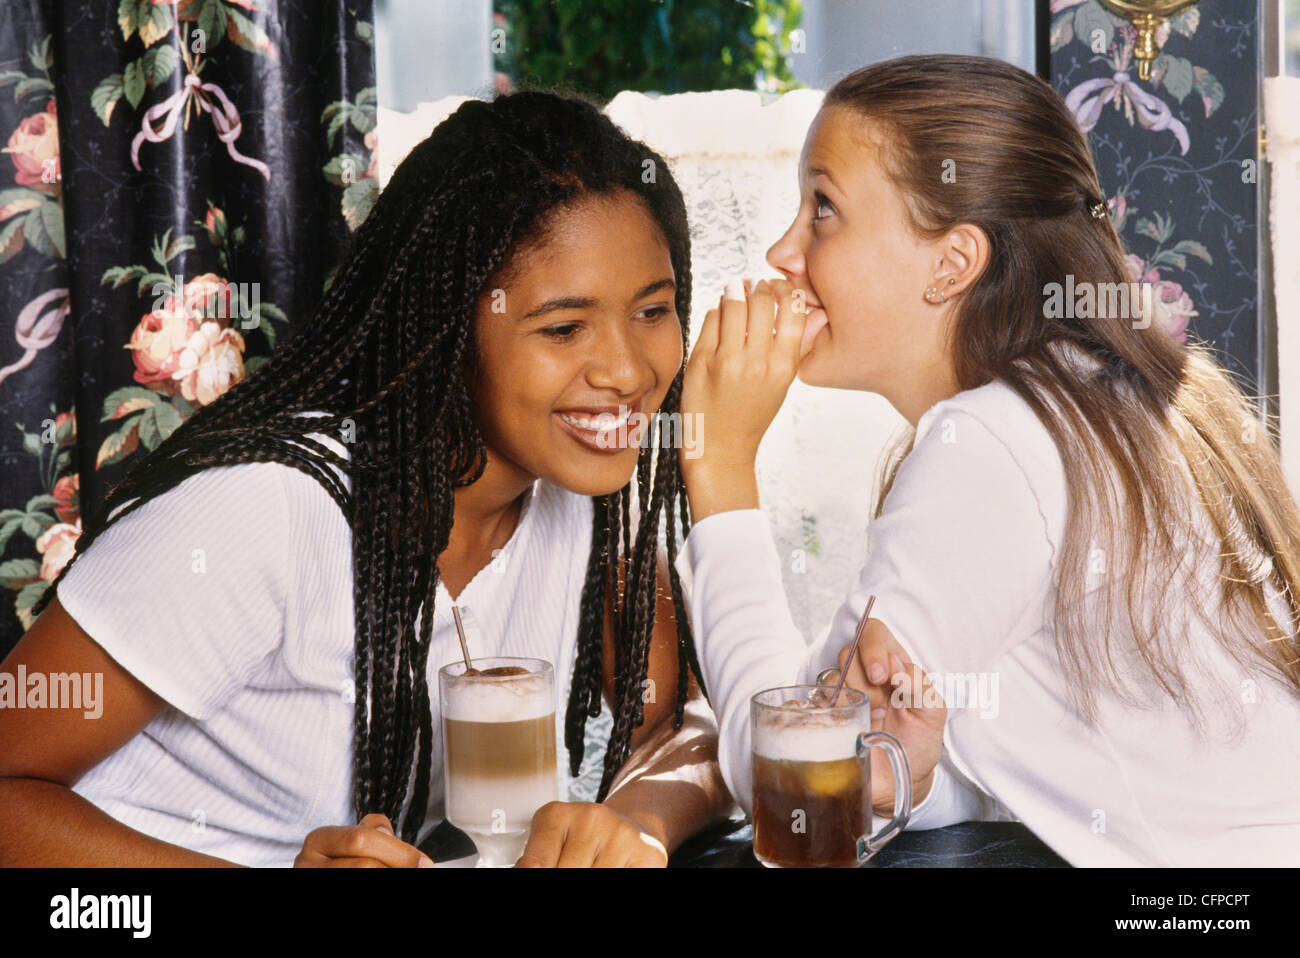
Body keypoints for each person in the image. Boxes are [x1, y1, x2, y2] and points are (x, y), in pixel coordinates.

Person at [0, 91, 734, 867]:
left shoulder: (579, 492)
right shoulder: (265, 510)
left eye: (653, 311)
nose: (625, 371)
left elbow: (685, 721)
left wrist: (638, 821)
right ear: (447, 321)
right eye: (563, 328)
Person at [676, 54, 1300, 866]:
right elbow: (1036, 766)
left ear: (953, 264)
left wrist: (720, 468)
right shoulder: (1097, 402)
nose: (782, 250)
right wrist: (916, 774)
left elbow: (784, 780)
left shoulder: (997, 442)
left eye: (823, 209)